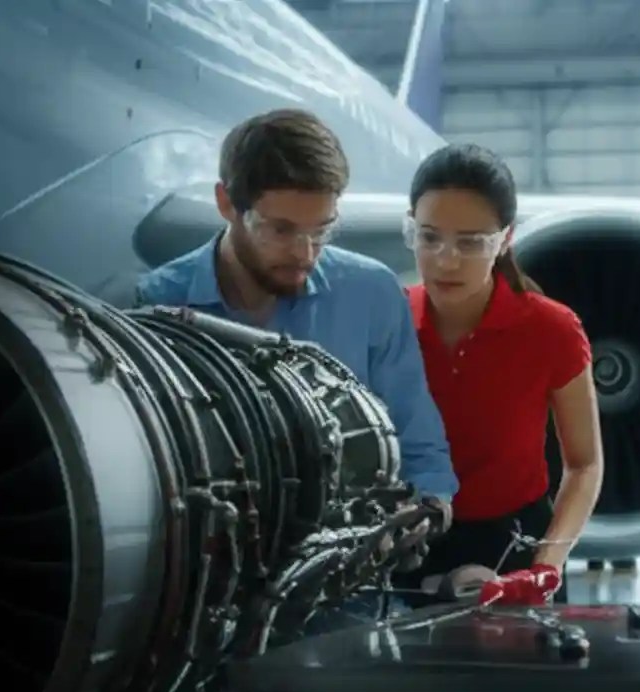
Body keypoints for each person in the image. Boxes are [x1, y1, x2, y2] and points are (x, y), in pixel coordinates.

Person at [135, 107, 458, 509]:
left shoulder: (371, 292)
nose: (305, 254)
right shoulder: (156, 305)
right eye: (281, 230)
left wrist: (427, 511)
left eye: (322, 230)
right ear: (226, 203)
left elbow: (418, 444)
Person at [399, 143, 603, 607]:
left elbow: (585, 464)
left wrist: (547, 564)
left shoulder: (551, 329)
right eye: (429, 237)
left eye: (471, 242)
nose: (446, 260)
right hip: (407, 546)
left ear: (505, 239)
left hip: (517, 551)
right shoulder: (388, 322)